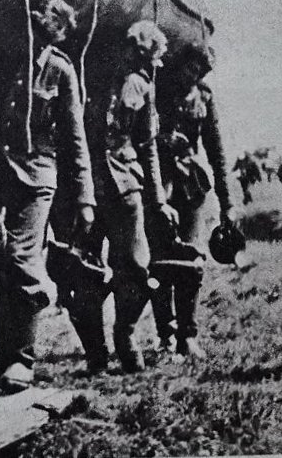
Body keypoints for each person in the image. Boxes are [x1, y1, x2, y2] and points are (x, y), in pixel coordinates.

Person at [0, 0, 94, 393]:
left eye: (45, 32)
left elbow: (75, 139)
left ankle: (23, 361)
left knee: (21, 256)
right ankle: (4, 362)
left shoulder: (60, 71)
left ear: (56, 35)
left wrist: (84, 198)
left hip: (38, 176)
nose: (34, 38)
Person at [85, 20, 178, 374]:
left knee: (136, 266)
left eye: (144, 53)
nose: (137, 58)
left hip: (125, 185)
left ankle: (125, 333)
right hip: (90, 187)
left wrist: (158, 199)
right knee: (83, 269)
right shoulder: (95, 76)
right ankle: (95, 353)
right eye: (134, 50)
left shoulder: (144, 87)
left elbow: (148, 147)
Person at [150, 43, 235, 359]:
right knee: (159, 262)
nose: (192, 76)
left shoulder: (204, 98)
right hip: (158, 186)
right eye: (189, 68)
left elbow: (216, 149)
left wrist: (227, 202)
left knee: (191, 263)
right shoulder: (156, 89)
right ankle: (165, 336)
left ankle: (187, 336)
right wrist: (163, 139)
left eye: (199, 72)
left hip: (191, 189)